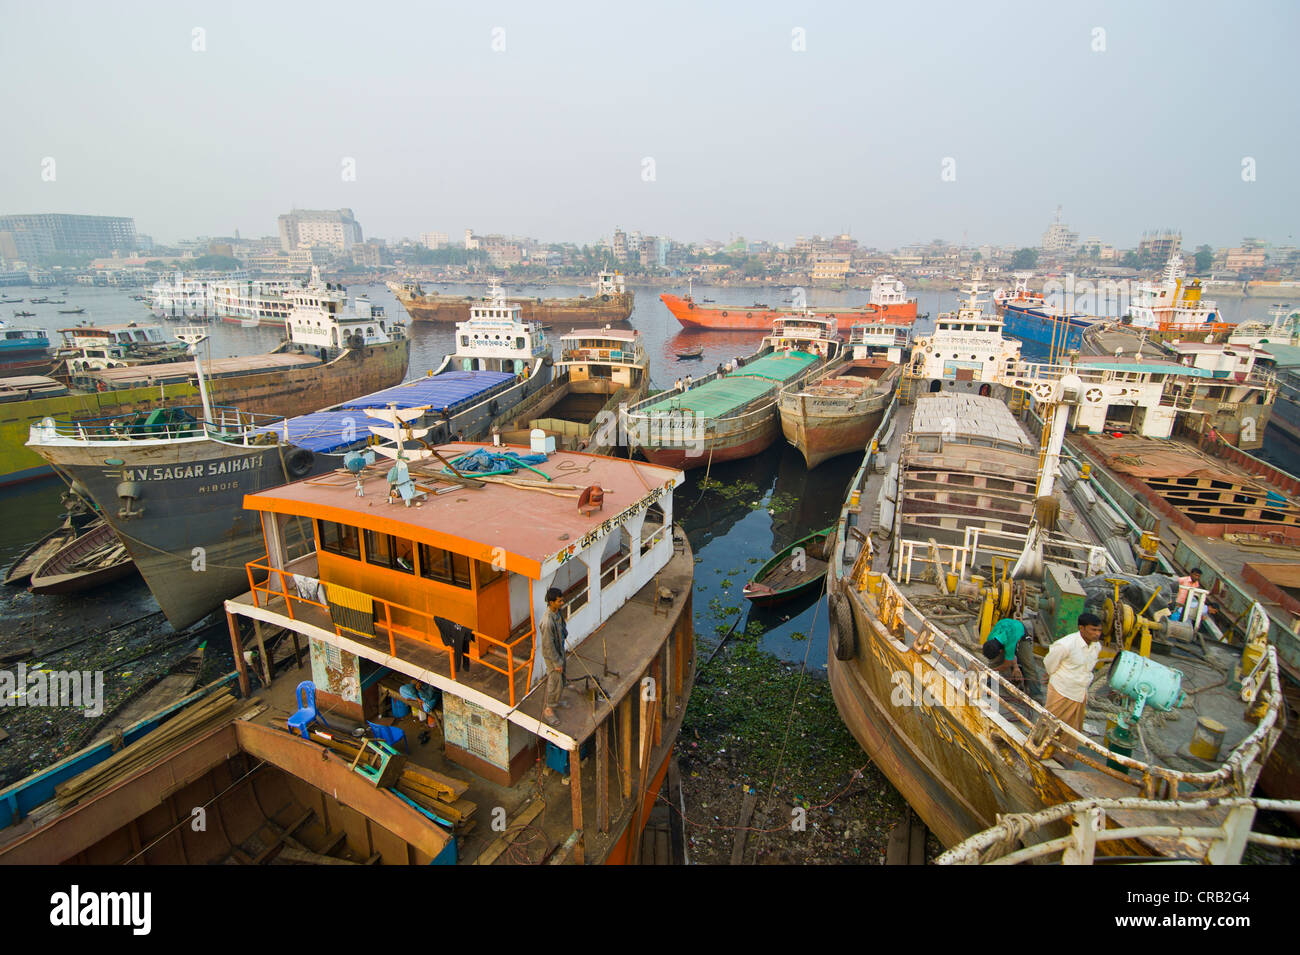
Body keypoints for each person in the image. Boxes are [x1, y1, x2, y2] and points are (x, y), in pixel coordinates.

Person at [1043, 612, 1104, 764]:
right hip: (1062, 689)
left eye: (1099, 631)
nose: (1097, 634)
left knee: (1072, 727)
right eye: (1093, 630)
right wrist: (1052, 676)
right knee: (1051, 722)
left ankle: (1063, 756)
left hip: (1079, 692)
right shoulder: (1066, 645)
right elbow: (1050, 662)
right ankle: (1040, 749)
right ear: (1081, 628)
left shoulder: (1096, 646)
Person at [980, 617, 1043, 701]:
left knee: (1028, 666)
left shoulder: (1009, 643)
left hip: (1021, 633)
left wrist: (993, 670)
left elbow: (1007, 663)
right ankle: (989, 685)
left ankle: (1037, 695)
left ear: (1000, 650)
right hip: (1007, 626)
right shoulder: (990, 638)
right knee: (994, 662)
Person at [539, 587, 569, 725]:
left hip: (560, 650)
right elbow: (548, 646)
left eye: (562, 600)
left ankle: (556, 701)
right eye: (559, 601)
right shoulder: (547, 622)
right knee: (554, 681)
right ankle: (549, 709)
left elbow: (562, 625)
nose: (562, 603)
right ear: (551, 602)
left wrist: (564, 633)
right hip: (552, 656)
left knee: (562, 677)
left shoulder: (557, 612)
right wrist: (557, 663)